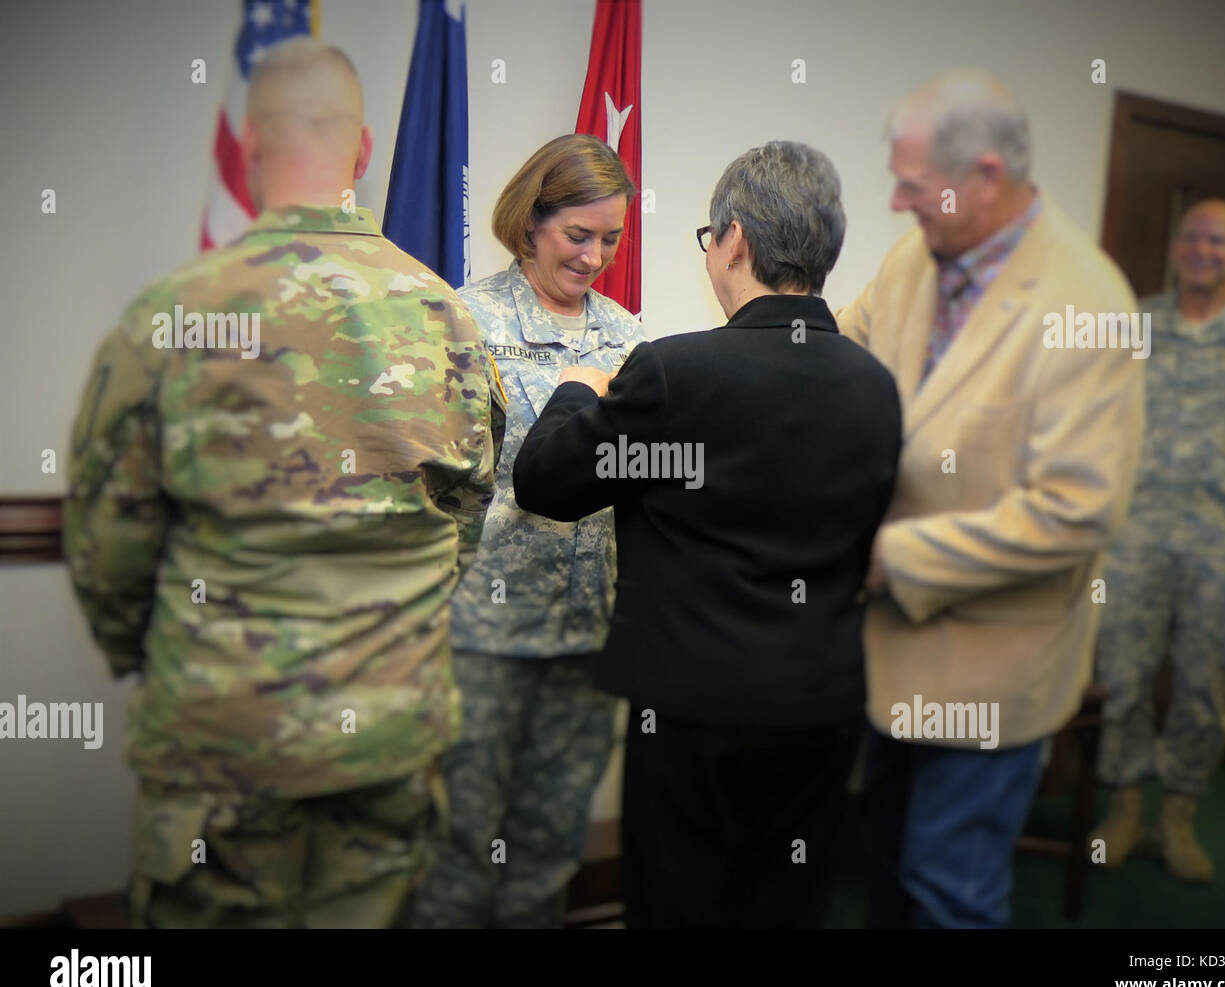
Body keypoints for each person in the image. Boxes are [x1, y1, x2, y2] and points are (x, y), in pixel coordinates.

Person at [63, 38, 503, 928]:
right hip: (388, 734)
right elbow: (465, 518)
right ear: (366, 150)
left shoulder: (175, 316)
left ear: (249, 148)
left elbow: (107, 543)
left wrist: (157, 653)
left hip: (227, 743)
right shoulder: (450, 316)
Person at [513, 140, 902, 929]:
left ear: (735, 241)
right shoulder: (876, 387)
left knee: (680, 905)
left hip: (692, 713)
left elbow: (548, 484)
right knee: (785, 906)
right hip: (821, 709)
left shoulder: (675, 374)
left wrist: (571, 393)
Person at [835, 68, 1146, 928]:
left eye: (908, 183)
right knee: (890, 870)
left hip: (991, 668)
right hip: (885, 654)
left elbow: (1076, 509)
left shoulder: (1090, 307)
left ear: (985, 178)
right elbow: (844, 358)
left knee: (950, 894)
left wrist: (891, 557)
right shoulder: (914, 257)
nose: (896, 202)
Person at [410, 134, 647, 929]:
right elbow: (436, 485)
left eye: (610, 239)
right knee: (458, 847)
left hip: (587, 635)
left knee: (548, 849)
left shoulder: (629, 335)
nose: (595, 257)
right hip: (482, 635)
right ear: (530, 221)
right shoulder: (466, 320)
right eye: (577, 235)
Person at [1090, 199, 1225, 882]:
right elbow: (1098, 425)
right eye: (1192, 237)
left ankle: (1177, 817)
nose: (1202, 249)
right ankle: (1122, 808)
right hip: (1133, 536)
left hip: (1224, 542)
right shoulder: (1137, 324)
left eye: (1219, 240)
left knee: (1207, 685)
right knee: (1118, 674)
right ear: (1176, 247)